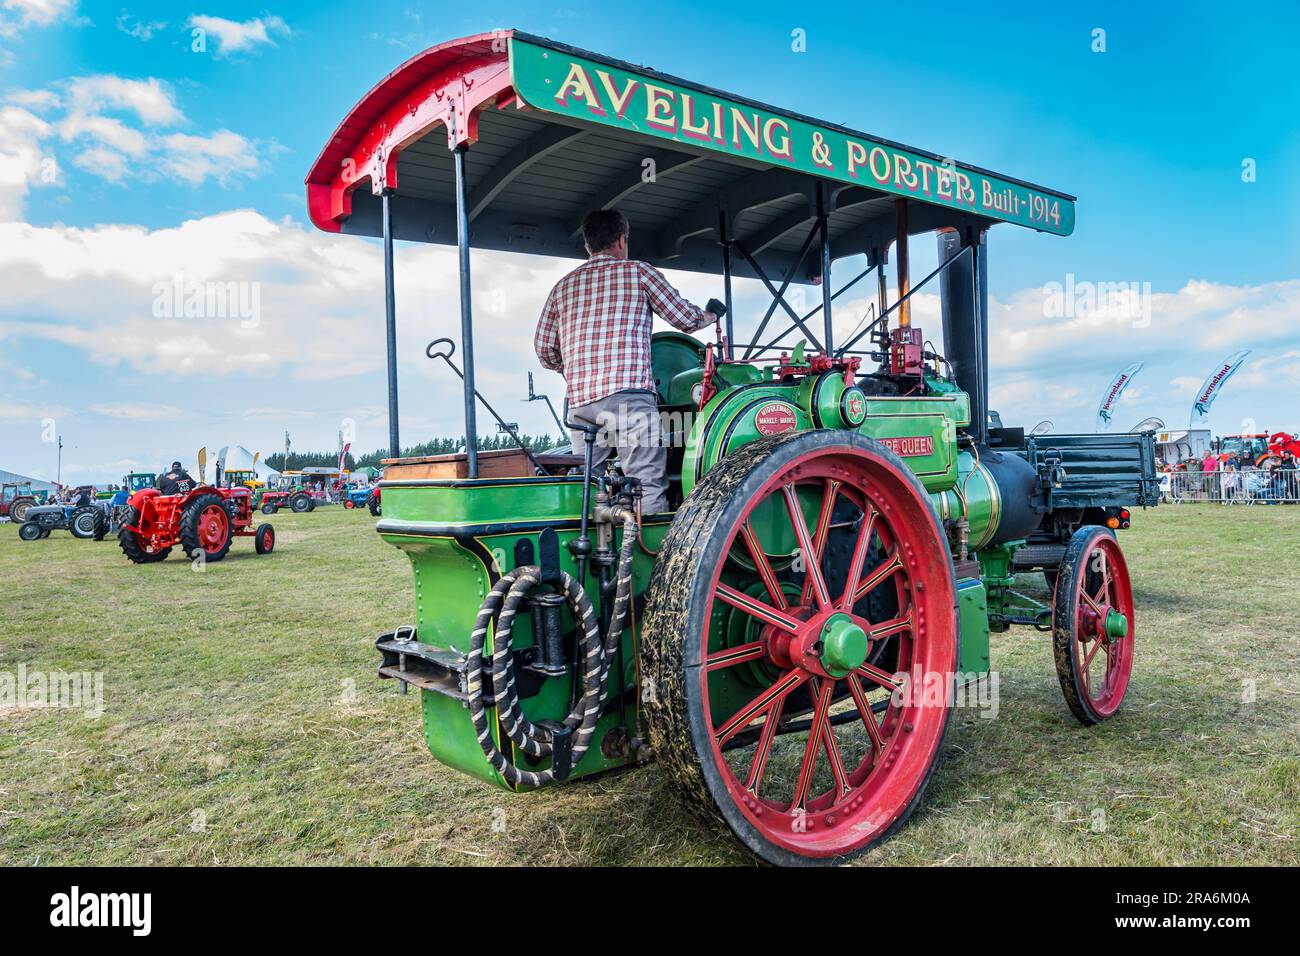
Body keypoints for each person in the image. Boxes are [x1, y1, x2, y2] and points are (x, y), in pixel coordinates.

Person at [534, 208, 722, 514]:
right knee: (645, 484)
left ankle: (593, 555)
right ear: (621, 240)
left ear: (588, 245)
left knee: (587, 486)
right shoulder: (638, 272)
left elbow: (544, 350)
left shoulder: (563, 287)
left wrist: (573, 370)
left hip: (581, 407)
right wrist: (711, 315)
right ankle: (650, 558)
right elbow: (685, 319)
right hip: (629, 399)